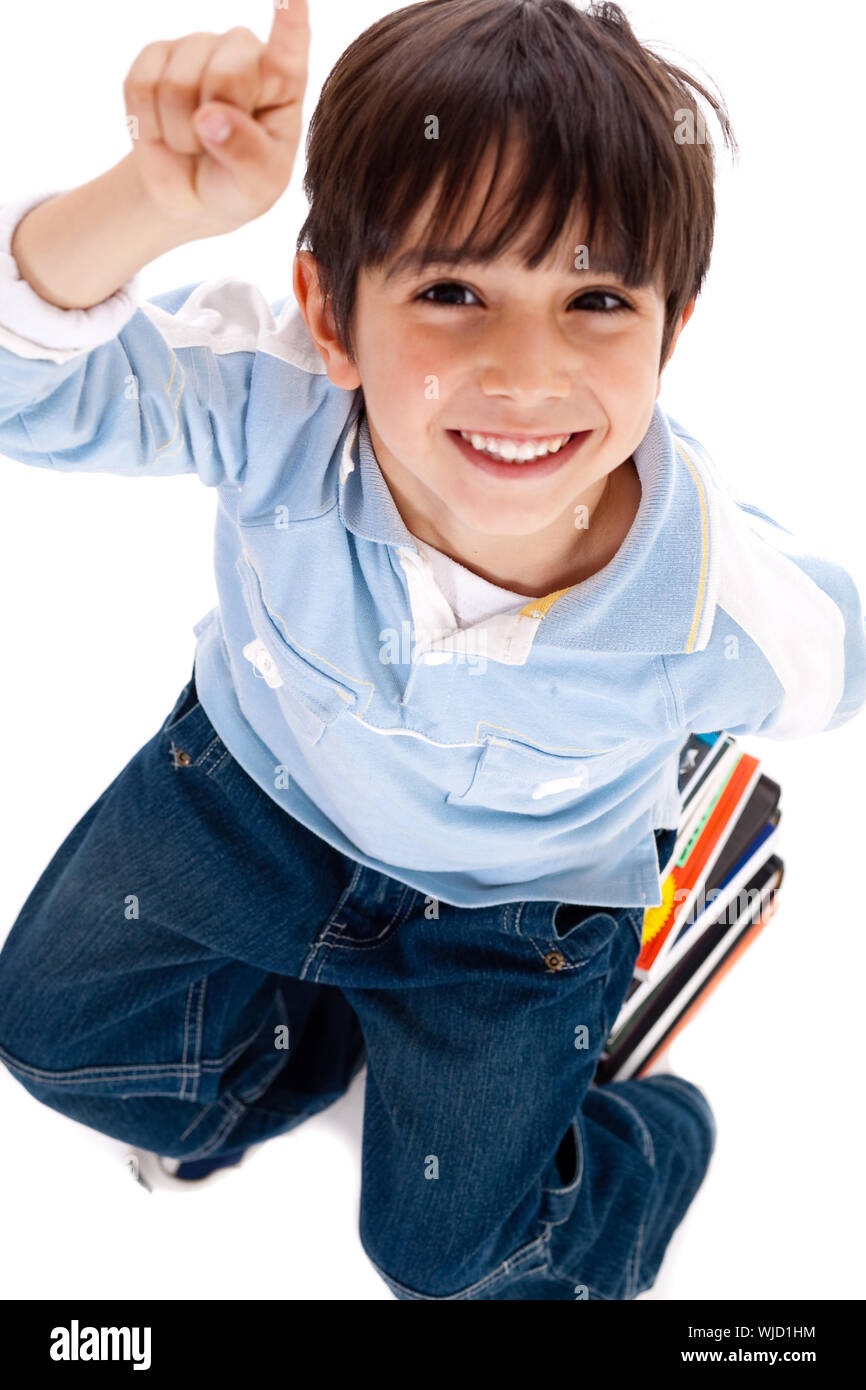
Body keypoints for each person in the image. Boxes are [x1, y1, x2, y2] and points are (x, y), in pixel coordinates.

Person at [0, 0, 863, 1300]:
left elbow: (839, 662)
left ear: (670, 332)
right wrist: (148, 200)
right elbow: (33, 387)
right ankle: (332, 1045)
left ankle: (638, 1133)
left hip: (522, 905)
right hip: (257, 790)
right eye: (453, 290)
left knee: (450, 1261)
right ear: (330, 315)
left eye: (594, 298)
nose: (524, 371)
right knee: (59, 1032)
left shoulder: (722, 602)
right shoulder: (274, 395)